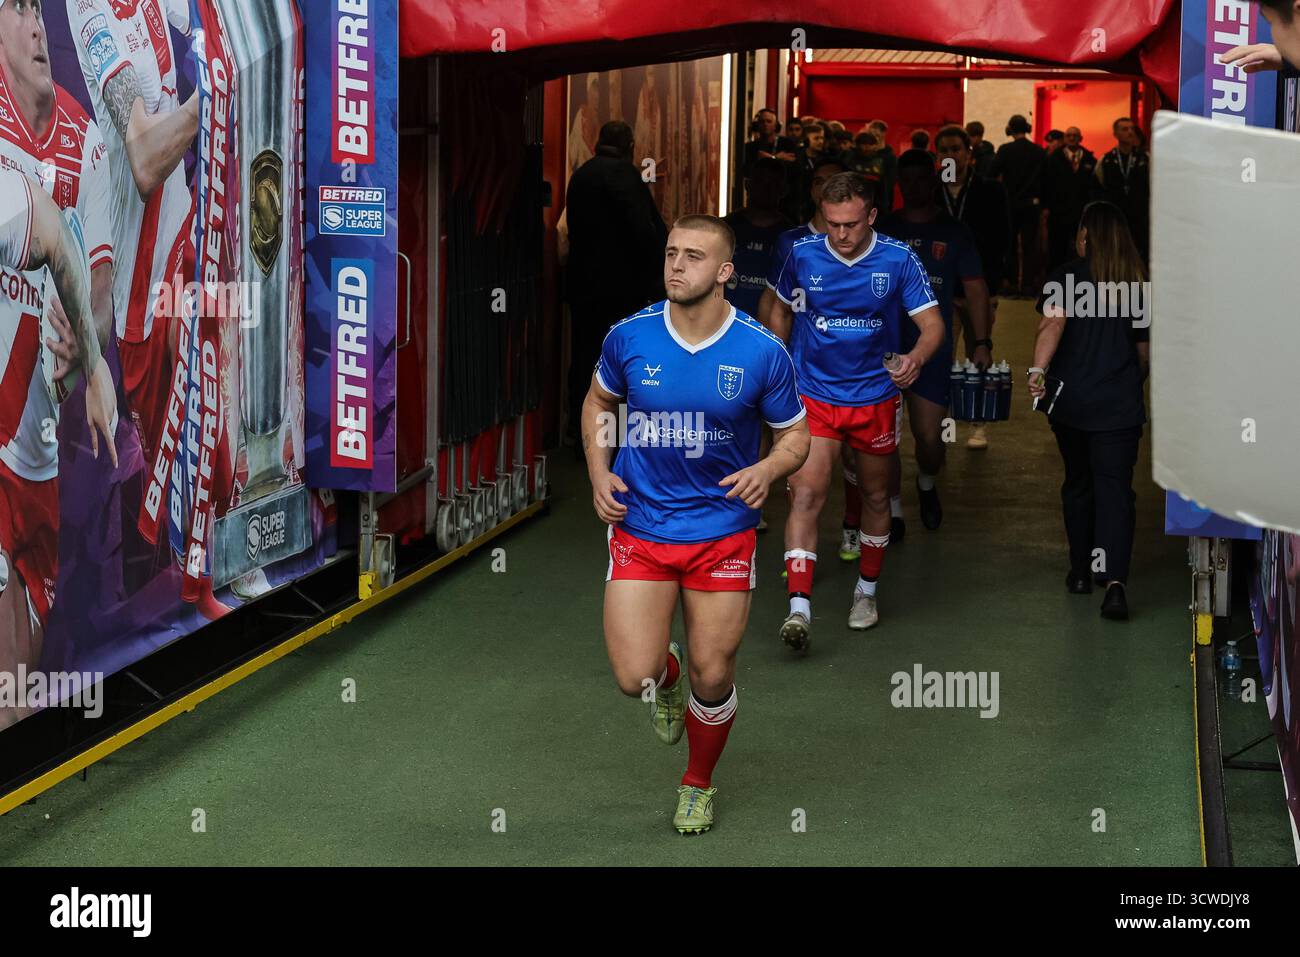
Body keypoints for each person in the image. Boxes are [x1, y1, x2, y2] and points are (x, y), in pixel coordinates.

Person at [583, 214, 810, 834]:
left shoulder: (762, 350)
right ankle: (667, 672)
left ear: (725, 273)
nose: (676, 266)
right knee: (637, 679)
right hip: (642, 525)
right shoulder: (628, 337)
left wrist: (769, 469)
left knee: (717, 672)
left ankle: (697, 784)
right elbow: (600, 400)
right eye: (670, 253)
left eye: (693, 257)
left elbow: (796, 435)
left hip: (722, 533)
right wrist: (600, 471)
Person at [767, 172, 945, 643]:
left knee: (874, 496)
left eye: (850, 224)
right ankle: (799, 609)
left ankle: (866, 590)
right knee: (805, 495)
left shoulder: (899, 259)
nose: (840, 235)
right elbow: (780, 309)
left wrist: (916, 358)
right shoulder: (801, 254)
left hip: (875, 399)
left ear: (871, 216)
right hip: (814, 396)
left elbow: (932, 325)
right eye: (831, 224)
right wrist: (779, 368)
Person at [0, 167, 119, 727]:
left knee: (17, 683)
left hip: (32, 461)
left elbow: (51, 230)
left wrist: (93, 368)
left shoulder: (19, 191)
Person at [1030, 201, 1149, 621]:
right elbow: (1144, 354)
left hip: (1072, 403)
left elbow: (1052, 325)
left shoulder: (1065, 276)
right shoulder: (1137, 285)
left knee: (1078, 483)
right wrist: (1129, 386)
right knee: (1115, 490)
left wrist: (1038, 370)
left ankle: (1080, 571)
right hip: (1118, 405)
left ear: (1086, 237)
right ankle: (1114, 582)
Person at [878, 150, 993, 536]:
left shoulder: (954, 231)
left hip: (932, 351)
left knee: (930, 439)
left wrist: (982, 342)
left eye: (920, 180)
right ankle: (892, 510)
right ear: (899, 186)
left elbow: (976, 290)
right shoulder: (882, 230)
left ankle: (926, 484)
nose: (913, 188)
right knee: (884, 439)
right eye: (905, 181)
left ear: (934, 181)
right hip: (881, 351)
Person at [565, 121, 668, 448]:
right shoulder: (625, 176)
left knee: (584, 358)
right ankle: (617, 436)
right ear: (630, 145)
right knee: (624, 360)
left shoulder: (581, 175)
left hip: (584, 286)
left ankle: (579, 431)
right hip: (623, 288)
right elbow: (645, 233)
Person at [934, 124, 1009, 450]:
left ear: (968, 154)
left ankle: (978, 425)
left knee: (979, 352)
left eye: (955, 149)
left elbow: (1003, 237)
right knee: (941, 358)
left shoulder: (990, 190)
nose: (950, 155)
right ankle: (944, 423)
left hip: (978, 287)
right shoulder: (931, 191)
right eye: (944, 150)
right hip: (941, 291)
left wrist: (994, 284)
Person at [723, 158, 791, 321]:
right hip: (724, 327)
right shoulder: (723, 229)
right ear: (747, 185)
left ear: (783, 189)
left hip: (769, 332)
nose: (765, 188)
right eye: (760, 181)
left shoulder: (791, 237)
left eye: (772, 183)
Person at [990, 114, 1046, 296]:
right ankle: (1029, 285)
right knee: (1030, 246)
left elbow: (992, 173)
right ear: (1027, 128)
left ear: (1010, 129)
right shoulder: (1038, 151)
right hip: (1032, 205)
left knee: (1010, 245)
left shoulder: (1005, 150)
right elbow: (1047, 179)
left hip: (1010, 204)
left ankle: (1012, 283)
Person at [1041, 126, 1099, 271]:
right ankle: (1054, 281)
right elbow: (1045, 183)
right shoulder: (1053, 159)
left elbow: (1094, 187)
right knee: (1056, 248)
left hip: (1082, 211)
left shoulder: (1090, 160)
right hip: (1058, 211)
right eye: (1069, 135)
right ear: (1064, 138)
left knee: (1083, 248)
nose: (1072, 138)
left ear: (1081, 138)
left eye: (1075, 135)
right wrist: (1045, 207)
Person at [1096, 117, 1150, 261]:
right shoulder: (1106, 160)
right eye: (1125, 129)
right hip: (1115, 217)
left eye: (1132, 128)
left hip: (1139, 217)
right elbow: (1099, 185)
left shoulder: (1145, 159)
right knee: (1115, 255)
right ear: (1115, 134)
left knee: (1139, 255)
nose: (1130, 132)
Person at [868, 120, 898, 212]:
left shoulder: (890, 157)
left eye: (876, 135)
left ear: (883, 134)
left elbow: (890, 182)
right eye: (871, 135)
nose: (874, 138)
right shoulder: (866, 155)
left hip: (883, 204)